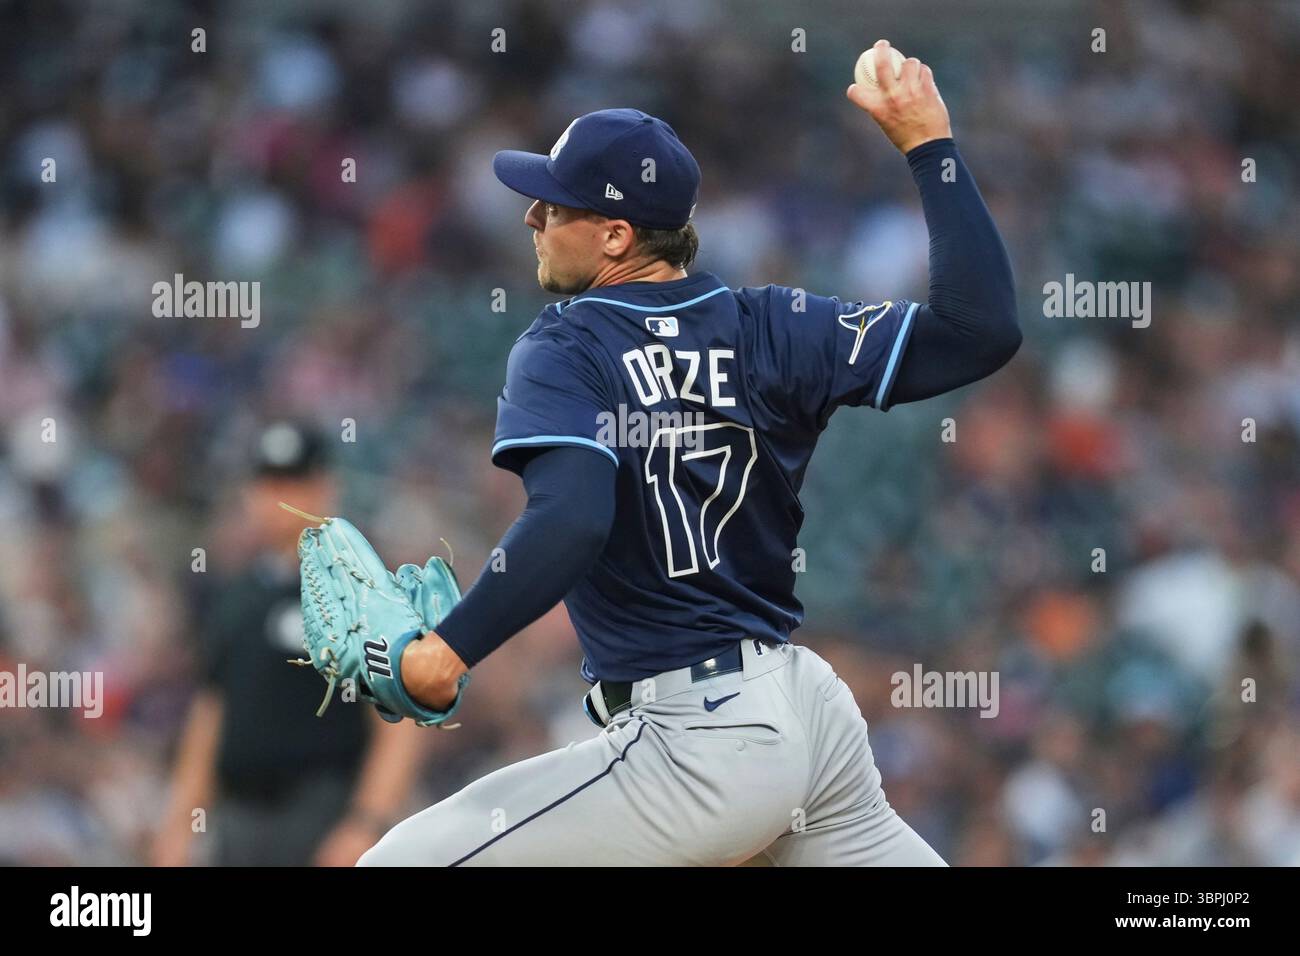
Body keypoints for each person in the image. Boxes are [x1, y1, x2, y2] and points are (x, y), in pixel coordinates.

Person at [359, 40, 1020, 866]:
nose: (533, 217)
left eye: (555, 207)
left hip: (695, 748)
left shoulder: (569, 344)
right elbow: (981, 331)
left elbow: (571, 517)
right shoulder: (772, 323)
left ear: (614, 236)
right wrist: (932, 149)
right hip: (804, 715)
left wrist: (447, 650)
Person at [153, 422, 427, 866]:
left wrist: (366, 821)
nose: (280, 500)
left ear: (325, 488)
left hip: (322, 811)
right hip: (238, 816)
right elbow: (210, 716)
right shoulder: (236, 597)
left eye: (295, 483)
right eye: (268, 484)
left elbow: (401, 720)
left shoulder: (362, 591)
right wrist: (180, 823)